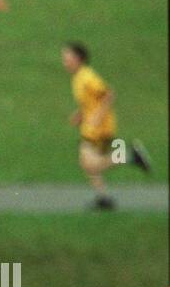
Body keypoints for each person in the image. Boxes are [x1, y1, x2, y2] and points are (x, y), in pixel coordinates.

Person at [62, 41, 151, 210]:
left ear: (78, 59)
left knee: (90, 164)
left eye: (67, 58)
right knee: (88, 163)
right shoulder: (79, 77)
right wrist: (80, 114)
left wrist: (97, 116)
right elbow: (90, 100)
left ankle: (130, 156)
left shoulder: (88, 77)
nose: (64, 62)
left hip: (99, 127)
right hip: (92, 125)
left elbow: (109, 95)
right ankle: (103, 199)